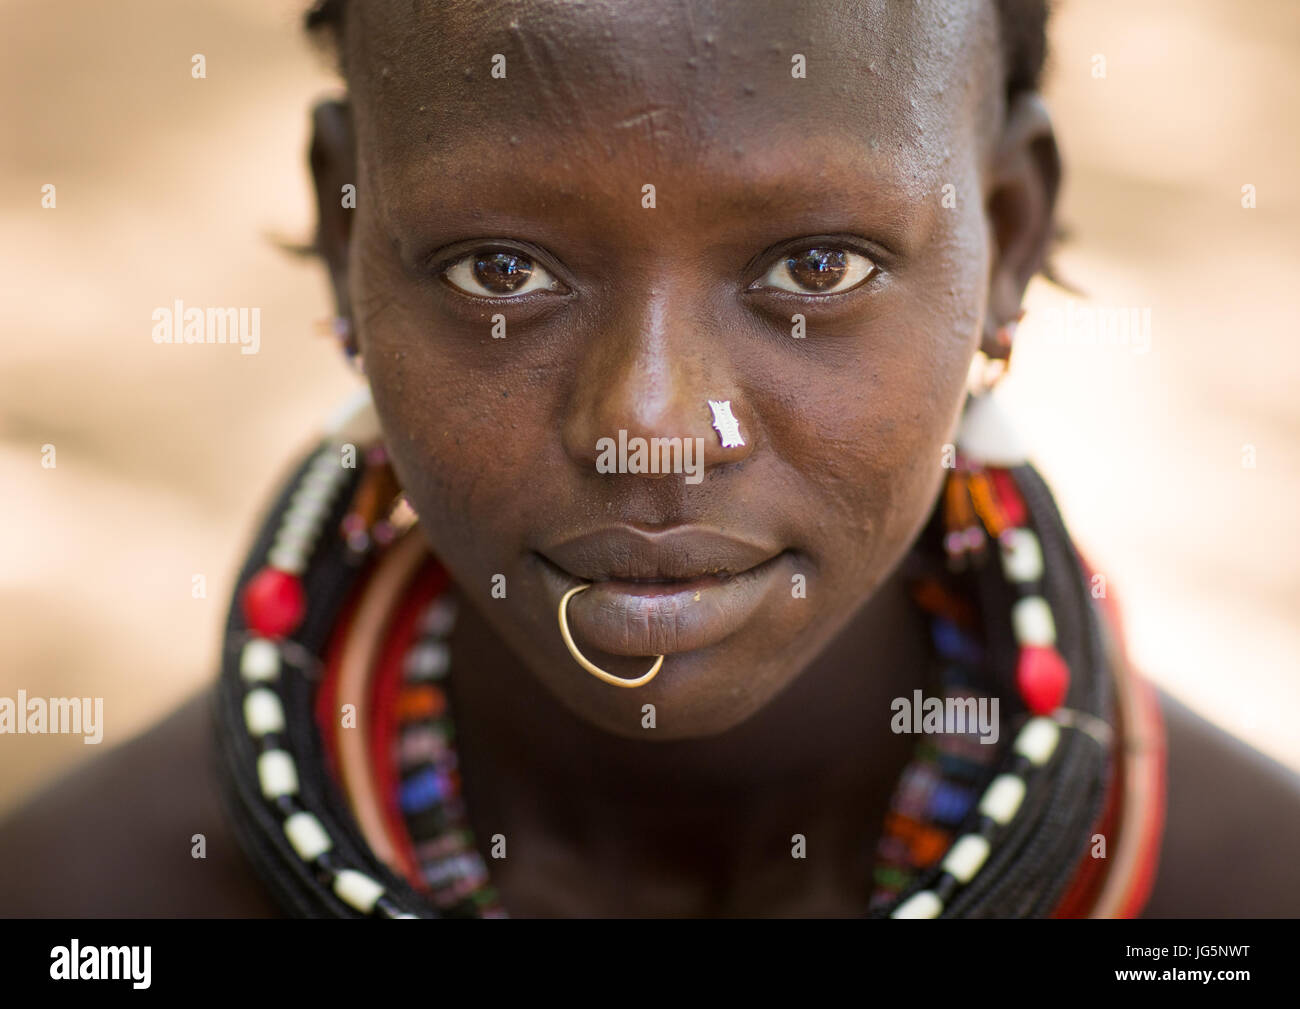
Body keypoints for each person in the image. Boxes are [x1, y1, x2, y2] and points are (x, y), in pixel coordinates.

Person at [2, 0, 1298, 918]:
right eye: (500, 268)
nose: (653, 426)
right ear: (351, 229)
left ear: (1006, 237)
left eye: (814, 265)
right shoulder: (82, 901)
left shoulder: (1245, 887)